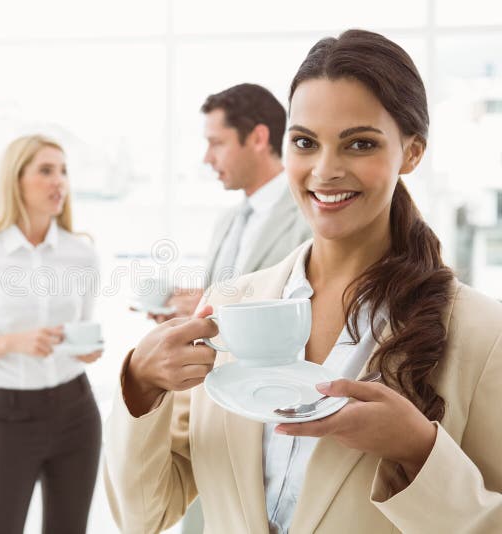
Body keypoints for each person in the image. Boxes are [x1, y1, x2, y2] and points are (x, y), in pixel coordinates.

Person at [104, 29, 502, 533]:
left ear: (412, 152)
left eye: (360, 143)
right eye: (305, 142)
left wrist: (419, 452)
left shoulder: (483, 335)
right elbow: (146, 515)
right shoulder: (229, 306)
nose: (326, 169)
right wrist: (140, 383)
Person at [0, 135, 103, 533]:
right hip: (5, 418)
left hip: (76, 412)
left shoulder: (81, 254)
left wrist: (86, 350)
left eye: (63, 171)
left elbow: (81, 328)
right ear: (15, 179)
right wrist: (13, 342)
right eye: (45, 171)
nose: (58, 181)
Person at [150, 84, 310, 324]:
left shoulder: (308, 218)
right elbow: (220, 300)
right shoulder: (227, 221)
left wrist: (213, 306)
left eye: (217, 143)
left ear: (258, 139)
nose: (207, 158)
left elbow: (305, 312)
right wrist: (189, 312)